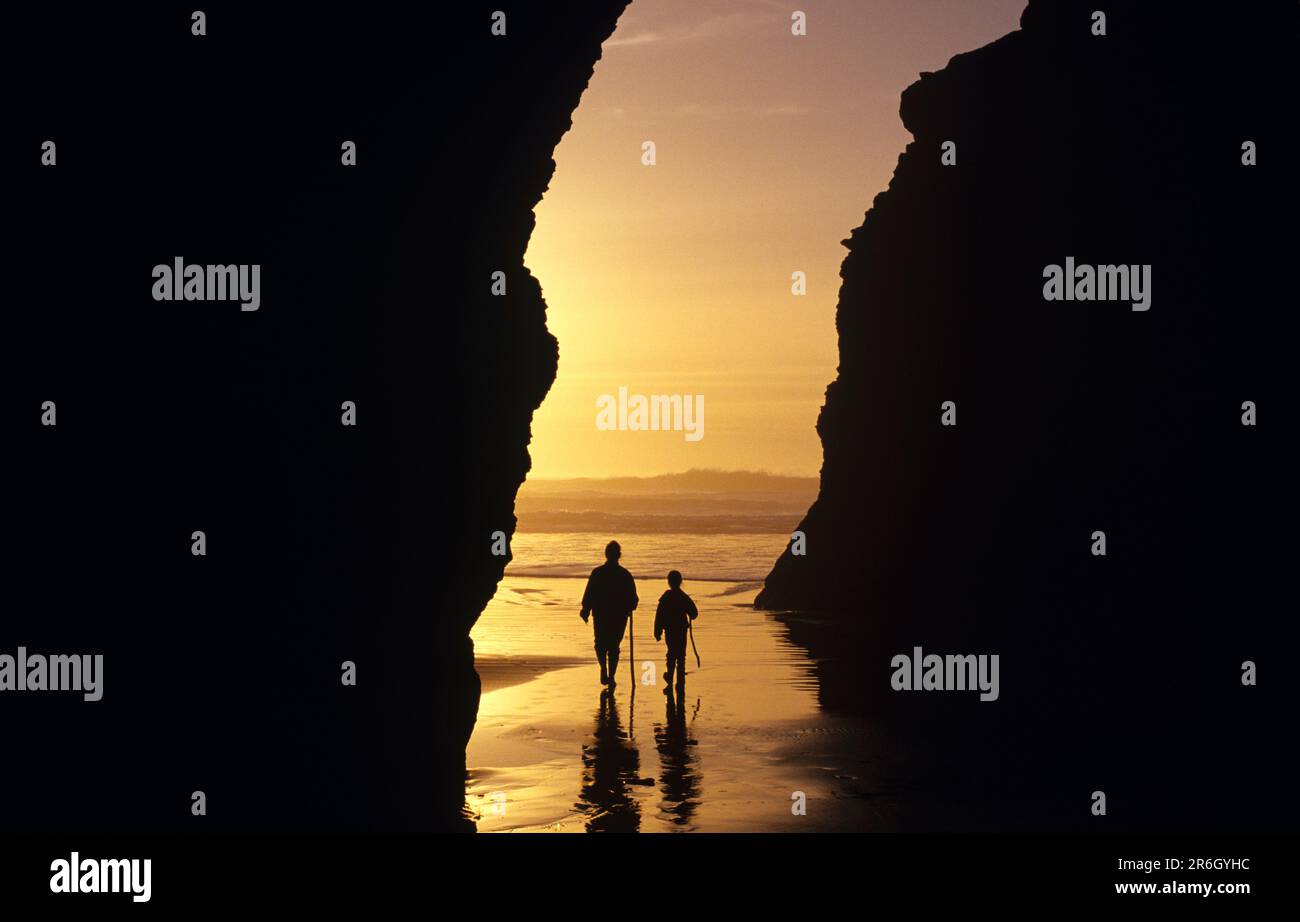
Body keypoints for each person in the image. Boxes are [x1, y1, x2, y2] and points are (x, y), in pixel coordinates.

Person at [580, 540, 638, 686]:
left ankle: (604, 669)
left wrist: (585, 610)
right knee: (613, 646)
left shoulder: (598, 573)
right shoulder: (625, 575)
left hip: (601, 614)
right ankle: (610, 674)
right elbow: (634, 599)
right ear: (619, 555)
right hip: (618, 615)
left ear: (607, 554)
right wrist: (630, 606)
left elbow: (589, 594)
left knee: (600, 644)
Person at [653, 570, 698, 691]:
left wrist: (657, 631)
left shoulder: (666, 597)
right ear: (680, 581)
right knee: (681, 656)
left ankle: (670, 681)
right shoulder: (683, 597)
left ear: (669, 582)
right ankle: (680, 683)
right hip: (681, 630)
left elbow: (659, 615)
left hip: (670, 631)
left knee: (671, 654)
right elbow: (694, 613)